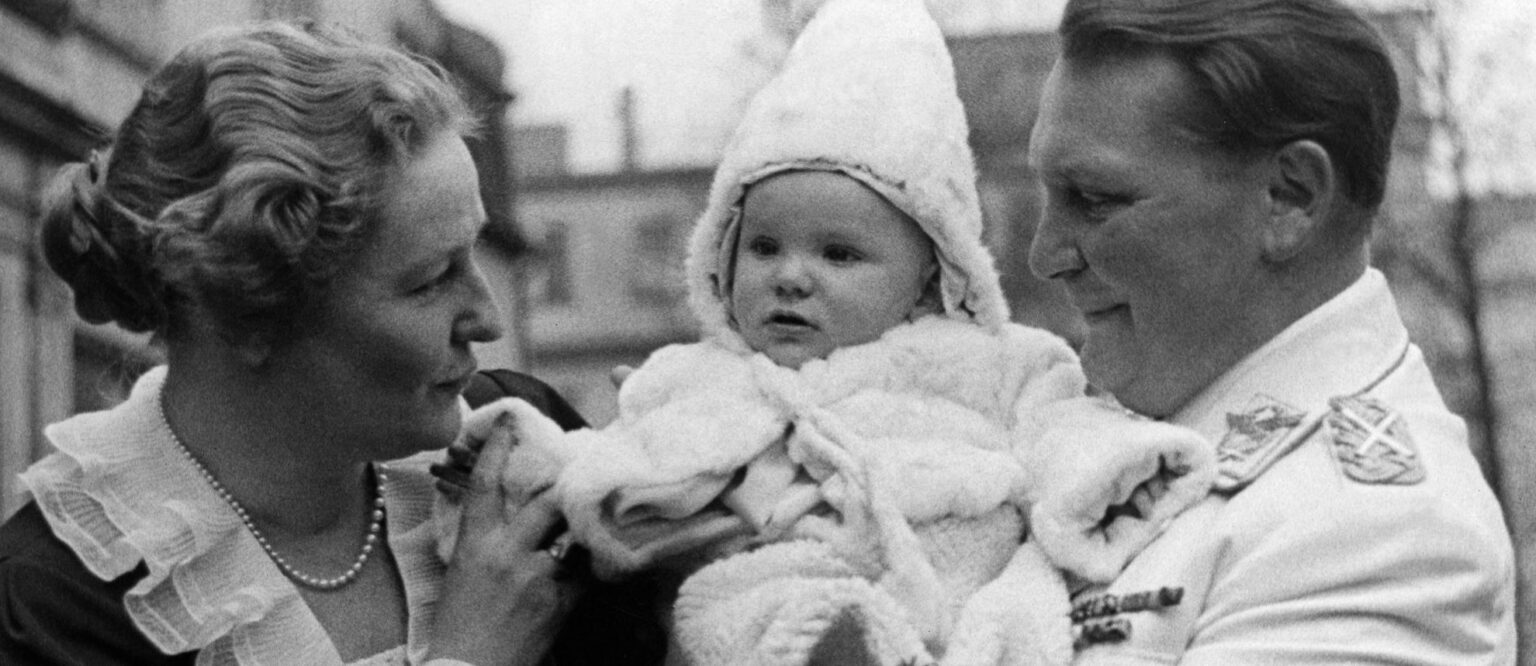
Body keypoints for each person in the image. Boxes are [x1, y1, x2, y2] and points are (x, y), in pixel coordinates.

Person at [437, 0, 1214, 663]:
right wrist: (518, 446)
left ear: (929, 272)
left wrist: (1124, 468)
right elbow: (606, 472)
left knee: (1023, 606)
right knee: (730, 605)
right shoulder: (693, 378)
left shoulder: (998, 363)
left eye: (839, 253)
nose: (791, 275)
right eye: (765, 246)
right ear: (720, 252)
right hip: (780, 591)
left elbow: (1068, 432)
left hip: (957, 584)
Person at [0, 22, 581, 666]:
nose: (489, 318)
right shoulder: (62, 605)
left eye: (470, 254)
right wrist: (471, 654)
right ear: (249, 315)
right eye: (431, 280)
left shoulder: (514, 450)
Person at [1025, 0, 1518, 661]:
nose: (1045, 254)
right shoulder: (1134, 440)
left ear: (1290, 197)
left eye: (1095, 199)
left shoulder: (1374, 534)